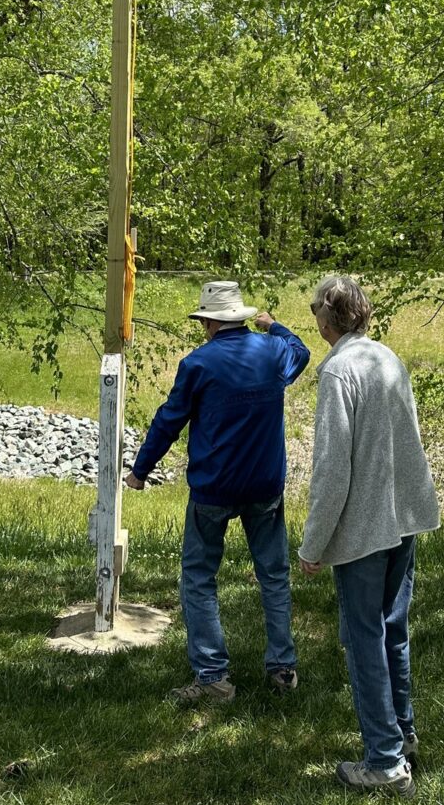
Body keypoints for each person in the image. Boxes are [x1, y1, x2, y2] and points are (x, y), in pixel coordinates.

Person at [125, 279, 310, 705]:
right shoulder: (271, 352)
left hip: (213, 488)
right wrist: (276, 326)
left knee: (199, 578)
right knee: (274, 575)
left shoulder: (198, 364)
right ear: (240, 317)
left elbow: (168, 421)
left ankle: (213, 677)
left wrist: (140, 471)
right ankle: (282, 668)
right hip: (264, 485)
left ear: (208, 321)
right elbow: (301, 352)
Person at [298, 275, 440, 799]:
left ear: (328, 318)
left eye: (316, 311)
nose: (315, 320)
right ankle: (402, 735)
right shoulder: (387, 358)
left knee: (364, 639)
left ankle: (384, 762)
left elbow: (332, 471)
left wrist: (314, 545)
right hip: (404, 516)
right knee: (392, 629)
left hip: (366, 527)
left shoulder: (339, 371)